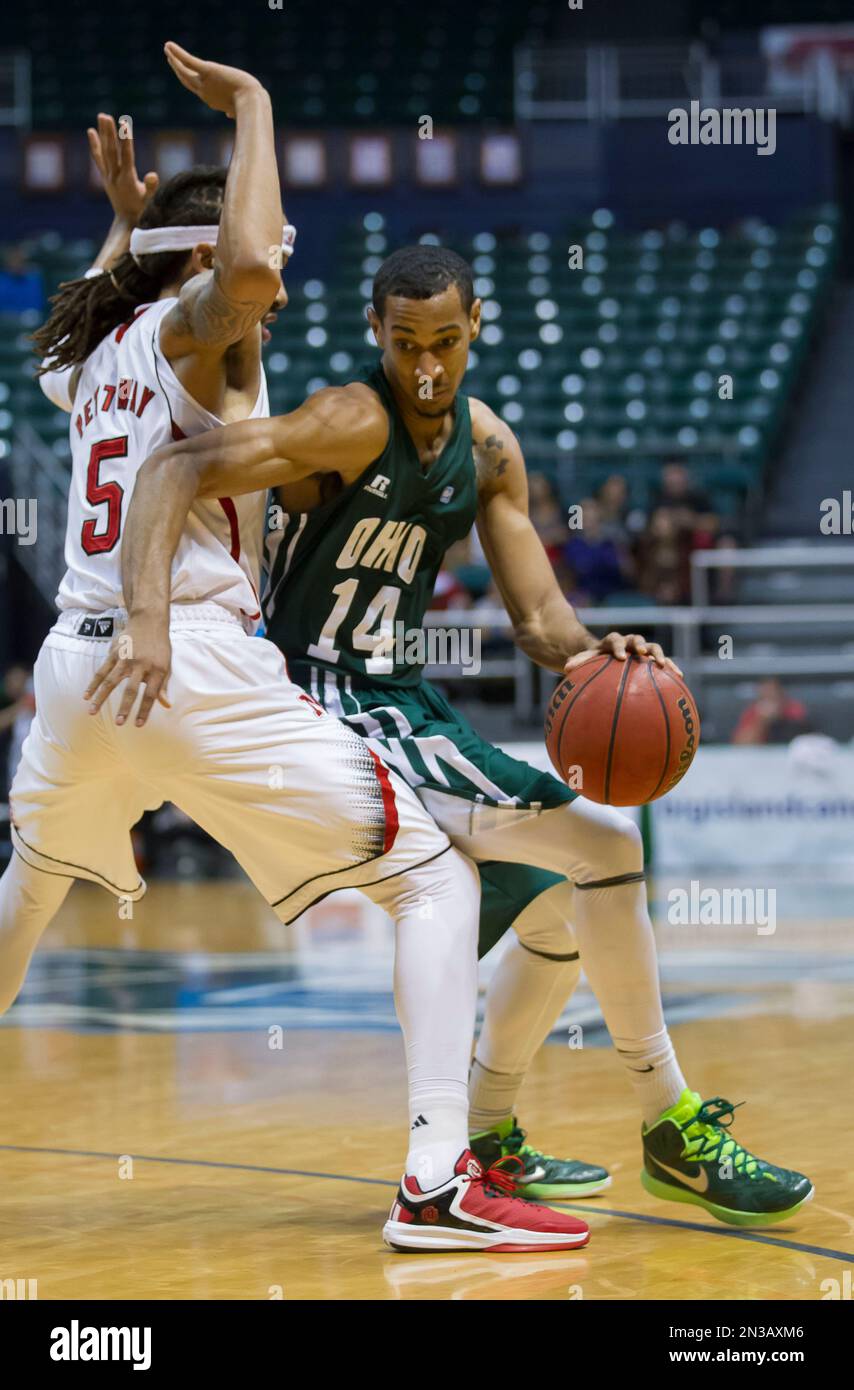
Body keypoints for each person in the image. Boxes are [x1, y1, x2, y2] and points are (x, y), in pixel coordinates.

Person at [91, 244, 814, 1230]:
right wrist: (146, 618)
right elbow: (174, 465)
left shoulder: (486, 451)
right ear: (375, 336)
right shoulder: (349, 418)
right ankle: (668, 1125)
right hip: (320, 698)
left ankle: (485, 1140)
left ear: (474, 325)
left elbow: (539, 624)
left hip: (404, 696)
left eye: (442, 342)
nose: (425, 367)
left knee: (564, 903)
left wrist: (602, 651)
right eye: (403, 344)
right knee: (602, 842)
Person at [2, 51, 589, 1256]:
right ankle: (436, 1178)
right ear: (200, 258)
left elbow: (139, 294)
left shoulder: (91, 359)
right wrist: (259, 107)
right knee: (430, 880)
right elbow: (252, 261)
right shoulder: (194, 333)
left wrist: (122, 226)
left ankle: (443, 1171)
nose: (274, 272)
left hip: (74, 671)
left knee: (19, 909)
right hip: (185, 660)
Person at [732, 678, 811, 746]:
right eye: (764, 698)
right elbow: (741, 746)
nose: (769, 703)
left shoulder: (794, 710)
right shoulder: (753, 712)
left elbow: (805, 743)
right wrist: (761, 722)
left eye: (773, 697)